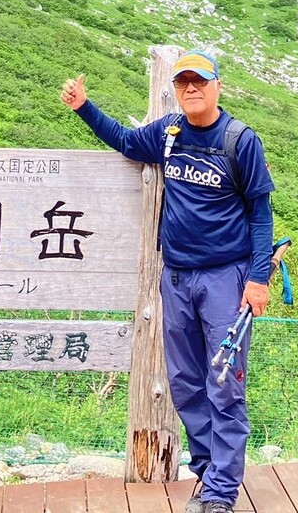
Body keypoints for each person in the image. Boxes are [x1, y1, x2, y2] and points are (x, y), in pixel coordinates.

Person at [61, 49, 274, 513]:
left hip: (226, 279)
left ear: (217, 85)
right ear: (176, 90)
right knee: (185, 381)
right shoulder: (170, 133)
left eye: (199, 81)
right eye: (183, 83)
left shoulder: (240, 140)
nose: (191, 89)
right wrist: (84, 108)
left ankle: (220, 493)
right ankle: (207, 472)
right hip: (175, 277)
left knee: (224, 381)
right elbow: (126, 141)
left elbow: (261, 215)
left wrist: (257, 280)